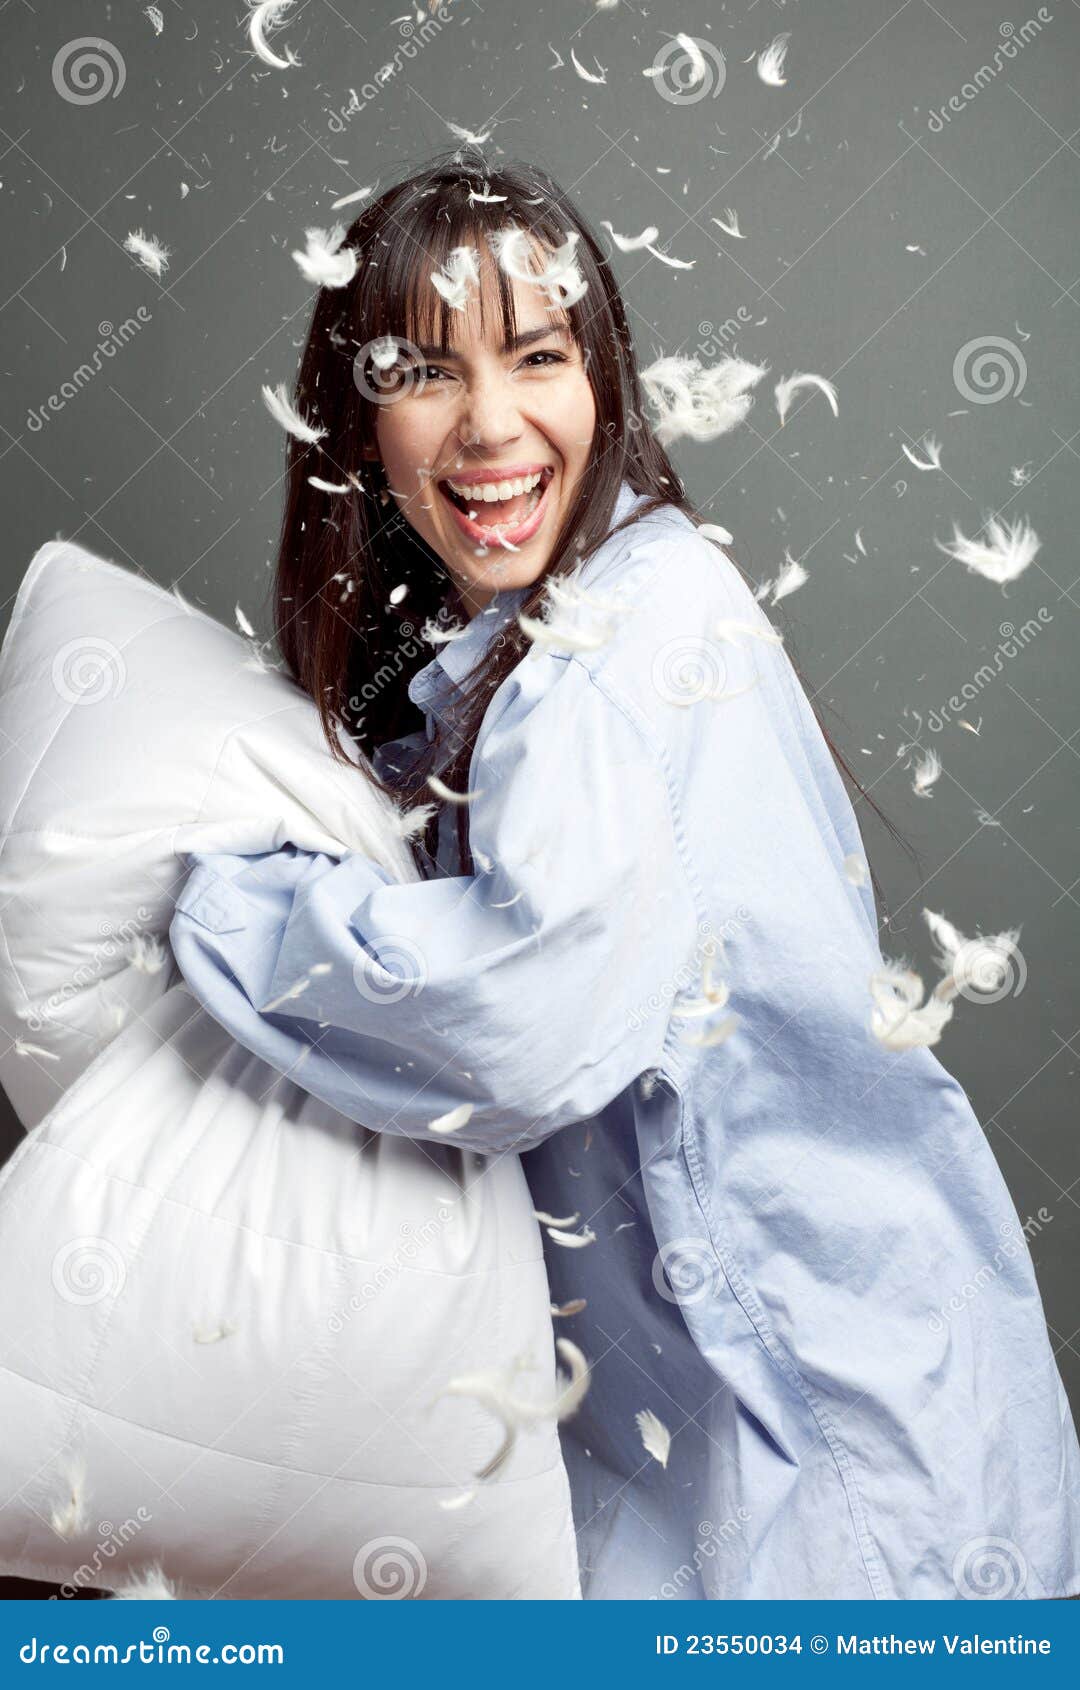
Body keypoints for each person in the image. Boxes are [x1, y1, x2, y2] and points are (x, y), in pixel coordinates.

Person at [168, 150, 1080, 1600]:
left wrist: (220, 899)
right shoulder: (552, 635)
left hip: (832, 1459)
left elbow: (519, 1022)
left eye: (538, 356)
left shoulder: (620, 643)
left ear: (604, 378)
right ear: (357, 412)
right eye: (424, 371)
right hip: (743, 1434)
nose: (490, 424)